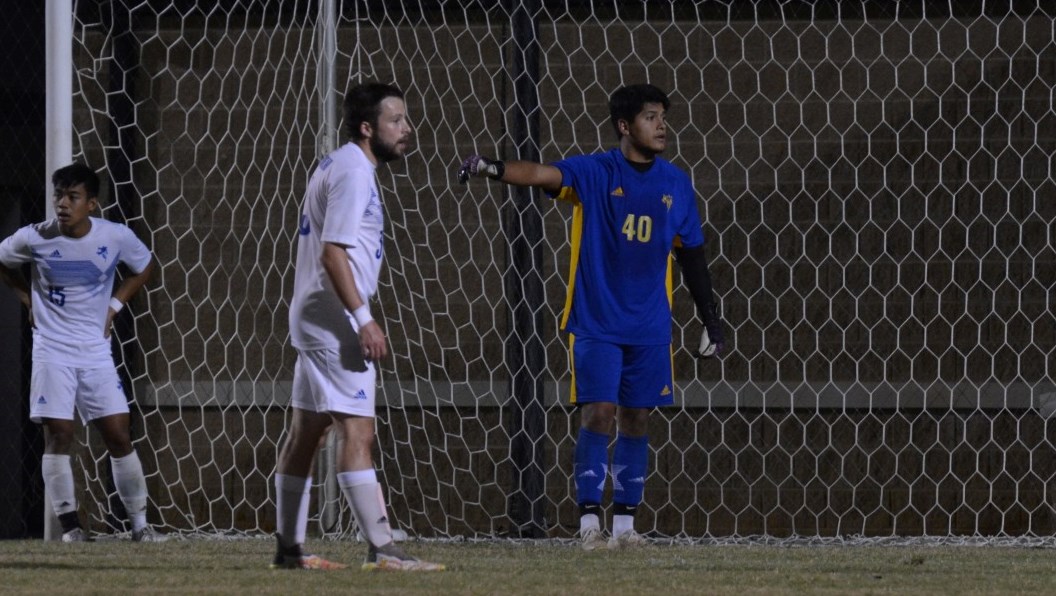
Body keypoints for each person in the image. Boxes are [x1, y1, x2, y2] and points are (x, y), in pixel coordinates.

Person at [458, 83, 726, 550]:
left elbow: (694, 257)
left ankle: (624, 528)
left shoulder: (675, 183)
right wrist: (494, 169)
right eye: (650, 117)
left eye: (662, 116)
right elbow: (542, 173)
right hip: (596, 322)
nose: (662, 126)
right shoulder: (595, 171)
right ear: (625, 126)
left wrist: (712, 319)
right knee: (599, 412)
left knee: (637, 418)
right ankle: (587, 524)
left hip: (649, 327)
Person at [273, 81, 444, 572]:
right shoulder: (354, 173)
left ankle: (289, 550)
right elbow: (333, 253)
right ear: (368, 128)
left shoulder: (338, 163)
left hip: (314, 315)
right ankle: (383, 549)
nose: (407, 129)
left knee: (307, 432)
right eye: (397, 120)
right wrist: (364, 320)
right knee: (358, 431)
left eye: (406, 119)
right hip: (334, 321)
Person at [0, 163, 164, 542]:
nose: (62, 204)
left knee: (119, 434)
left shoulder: (115, 236)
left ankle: (140, 527)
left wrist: (115, 305)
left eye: (72, 197)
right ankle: (72, 529)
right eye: (58, 195)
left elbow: (144, 267)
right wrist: (27, 298)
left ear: (91, 204)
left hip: (94, 349)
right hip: (51, 349)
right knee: (59, 434)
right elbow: (4, 261)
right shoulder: (34, 237)